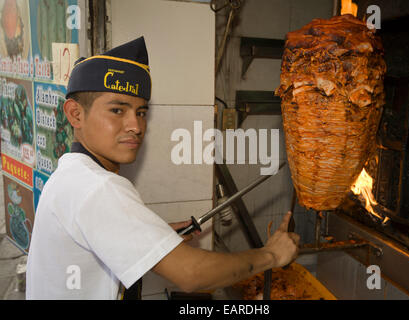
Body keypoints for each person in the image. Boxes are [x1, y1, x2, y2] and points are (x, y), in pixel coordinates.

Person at [26, 37, 300, 300]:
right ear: (75, 114)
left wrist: (152, 238)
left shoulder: (74, 173)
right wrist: (272, 255)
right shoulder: (98, 187)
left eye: (141, 112)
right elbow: (192, 274)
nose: (135, 125)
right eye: (117, 111)